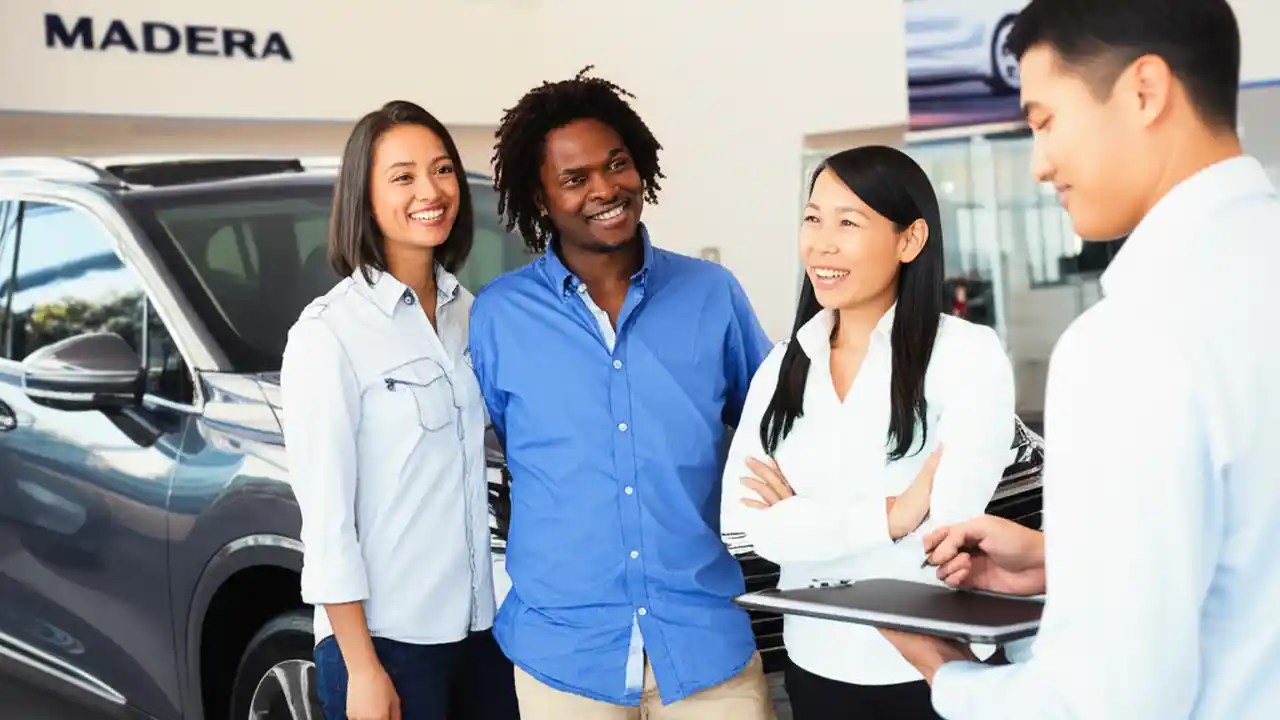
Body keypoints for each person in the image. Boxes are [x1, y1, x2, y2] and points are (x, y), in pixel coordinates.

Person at [881, 1, 1280, 717]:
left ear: (1144, 91)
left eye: (1044, 120)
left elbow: (1107, 700)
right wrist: (1066, 561)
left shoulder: (1128, 342)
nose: (1039, 164)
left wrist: (950, 679)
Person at [468, 68, 776, 719]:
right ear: (541, 196)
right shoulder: (498, 318)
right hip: (564, 659)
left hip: (704, 649)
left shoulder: (711, 295)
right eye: (575, 179)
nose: (606, 190)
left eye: (617, 165)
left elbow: (780, 426)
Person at [720, 146, 1015, 720]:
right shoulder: (784, 364)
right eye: (813, 218)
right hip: (817, 665)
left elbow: (946, 527)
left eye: (848, 222)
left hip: (934, 668)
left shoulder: (966, 356)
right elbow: (746, 527)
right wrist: (891, 515)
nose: (821, 243)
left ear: (910, 240)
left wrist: (804, 518)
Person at [280, 101, 518, 720]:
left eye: (442, 170)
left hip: (486, 630)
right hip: (388, 642)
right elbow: (327, 524)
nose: (430, 191)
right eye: (403, 176)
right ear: (364, 194)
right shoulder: (328, 335)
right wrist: (361, 667)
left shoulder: (476, 316)